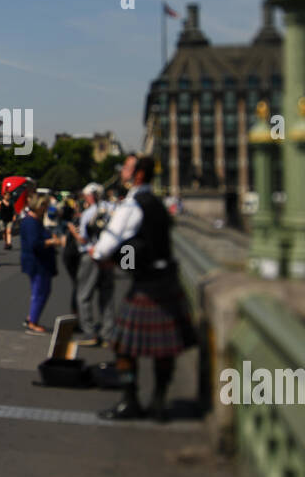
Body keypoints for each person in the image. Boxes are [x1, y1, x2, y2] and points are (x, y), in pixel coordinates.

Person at [92, 155, 196, 422]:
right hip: (167, 279)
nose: (122, 171)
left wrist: (98, 253)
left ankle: (130, 401)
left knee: (124, 348)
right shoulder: (158, 203)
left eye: (127, 167)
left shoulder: (132, 205)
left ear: (138, 175)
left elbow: (106, 246)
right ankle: (159, 403)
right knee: (165, 349)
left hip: (146, 285)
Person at [73, 183, 114, 348]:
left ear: (90, 196)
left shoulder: (88, 213)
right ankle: (108, 333)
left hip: (91, 254)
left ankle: (90, 332)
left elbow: (83, 238)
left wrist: (72, 230)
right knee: (107, 295)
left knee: (83, 295)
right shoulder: (112, 209)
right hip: (108, 256)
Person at [19, 194, 65, 335]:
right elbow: (35, 244)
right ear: (39, 206)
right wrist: (52, 242)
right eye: (44, 206)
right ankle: (33, 321)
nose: (46, 209)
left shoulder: (31, 220)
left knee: (38, 292)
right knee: (41, 292)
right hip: (38, 262)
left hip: (35, 261)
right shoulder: (32, 222)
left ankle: (32, 317)